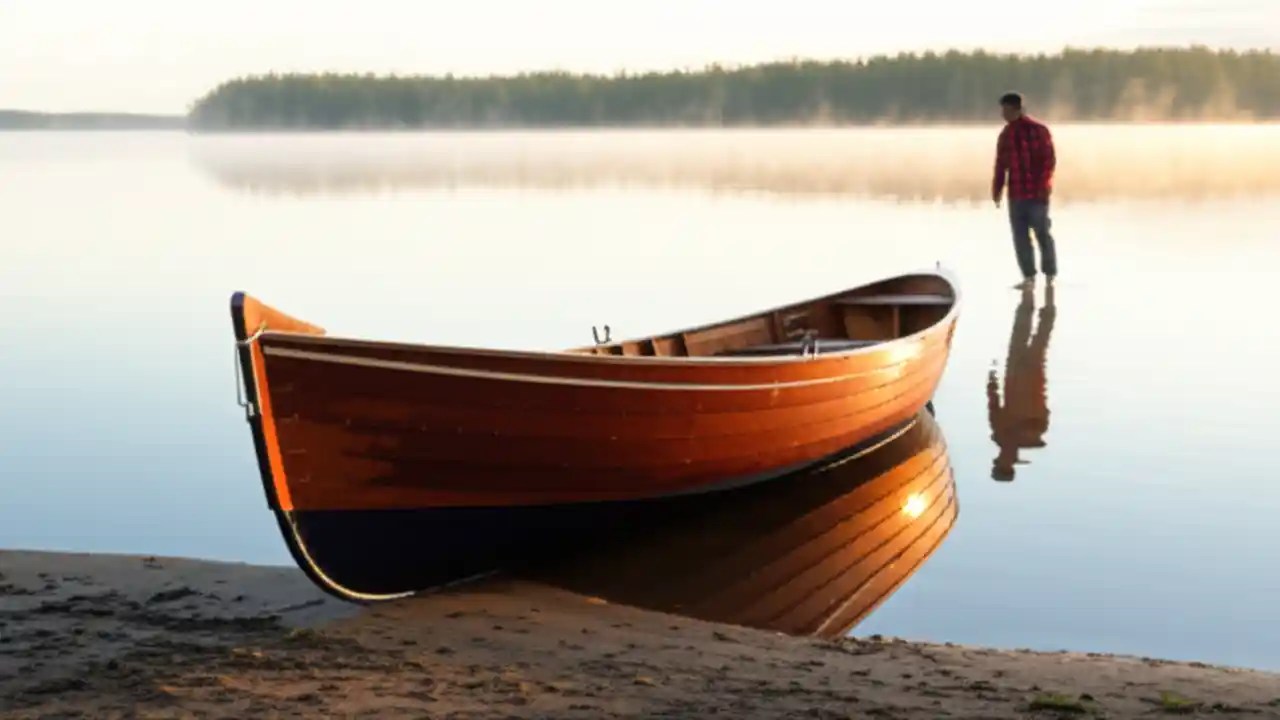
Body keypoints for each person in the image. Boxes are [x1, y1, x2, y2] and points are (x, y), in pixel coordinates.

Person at [987, 283, 1055, 481]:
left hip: (1014, 377)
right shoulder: (1031, 437)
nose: (1002, 459)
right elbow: (1045, 414)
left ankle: (1030, 296)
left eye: (999, 462)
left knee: (1022, 333)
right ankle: (1044, 300)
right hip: (1032, 380)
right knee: (1040, 338)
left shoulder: (1001, 436)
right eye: (1003, 464)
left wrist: (992, 382)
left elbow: (993, 406)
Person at [992, 92, 1057, 289]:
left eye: (1007, 110)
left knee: (1042, 234)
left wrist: (1043, 186)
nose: (1004, 114)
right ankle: (1029, 277)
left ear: (1018, 109)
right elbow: (1001, 165)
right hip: (1016, 194)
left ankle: (1049, 273)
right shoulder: (1005, 135)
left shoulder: (1039, 130)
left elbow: (1049, 160)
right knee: (1020, 237)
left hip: (1037, 194)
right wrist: (997, 190)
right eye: (1002, 110)